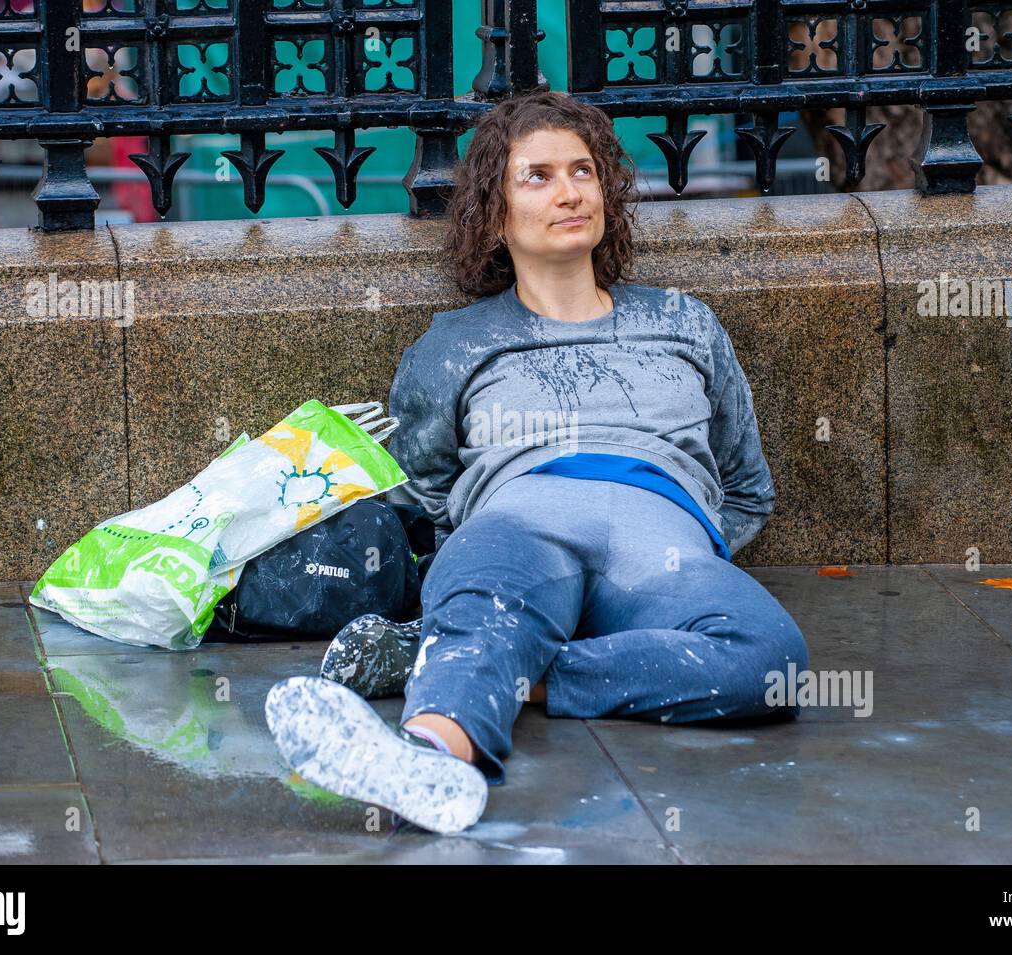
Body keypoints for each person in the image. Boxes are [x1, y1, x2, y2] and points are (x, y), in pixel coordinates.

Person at [265, 90, 809, 835]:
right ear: (495, 212)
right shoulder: (455, 343)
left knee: (770, 657)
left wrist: (686, 543)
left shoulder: (685, 323)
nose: (569, 192)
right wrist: (482, 542)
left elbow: (747, 489)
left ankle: (502, 665)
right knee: (483, 606)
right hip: (519, 521)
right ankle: (427, 759)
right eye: (539, 176)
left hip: (663, 542)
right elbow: (423, 487)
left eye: (583, 172)